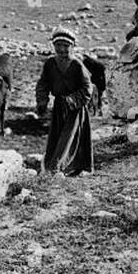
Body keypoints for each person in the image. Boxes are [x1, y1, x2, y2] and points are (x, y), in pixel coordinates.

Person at [35, 28, 94, 176]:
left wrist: (72, 101)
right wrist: (42, 101)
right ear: (53, 47)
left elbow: (88, 88)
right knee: (57, 137)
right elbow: (43, 83)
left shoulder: (77, 65)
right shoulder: (50, 64)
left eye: (66, 46)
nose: (62, 50)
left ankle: (60, 167)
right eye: (58, 46)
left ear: (72, 47)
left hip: (75, 108)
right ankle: (56, 165)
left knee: (70, 137)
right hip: (59, 107)